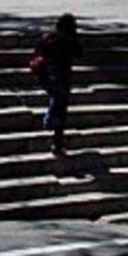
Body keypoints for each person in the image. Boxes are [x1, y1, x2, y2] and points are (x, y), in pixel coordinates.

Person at [30, 13, 82, 156]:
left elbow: (37, 53)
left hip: (46, 77)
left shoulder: (49, 38)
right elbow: (79, 53)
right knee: (60, 107)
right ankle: (55, 139)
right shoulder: (68, 40)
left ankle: (56, 140)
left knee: (58, 102)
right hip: (62, 77)